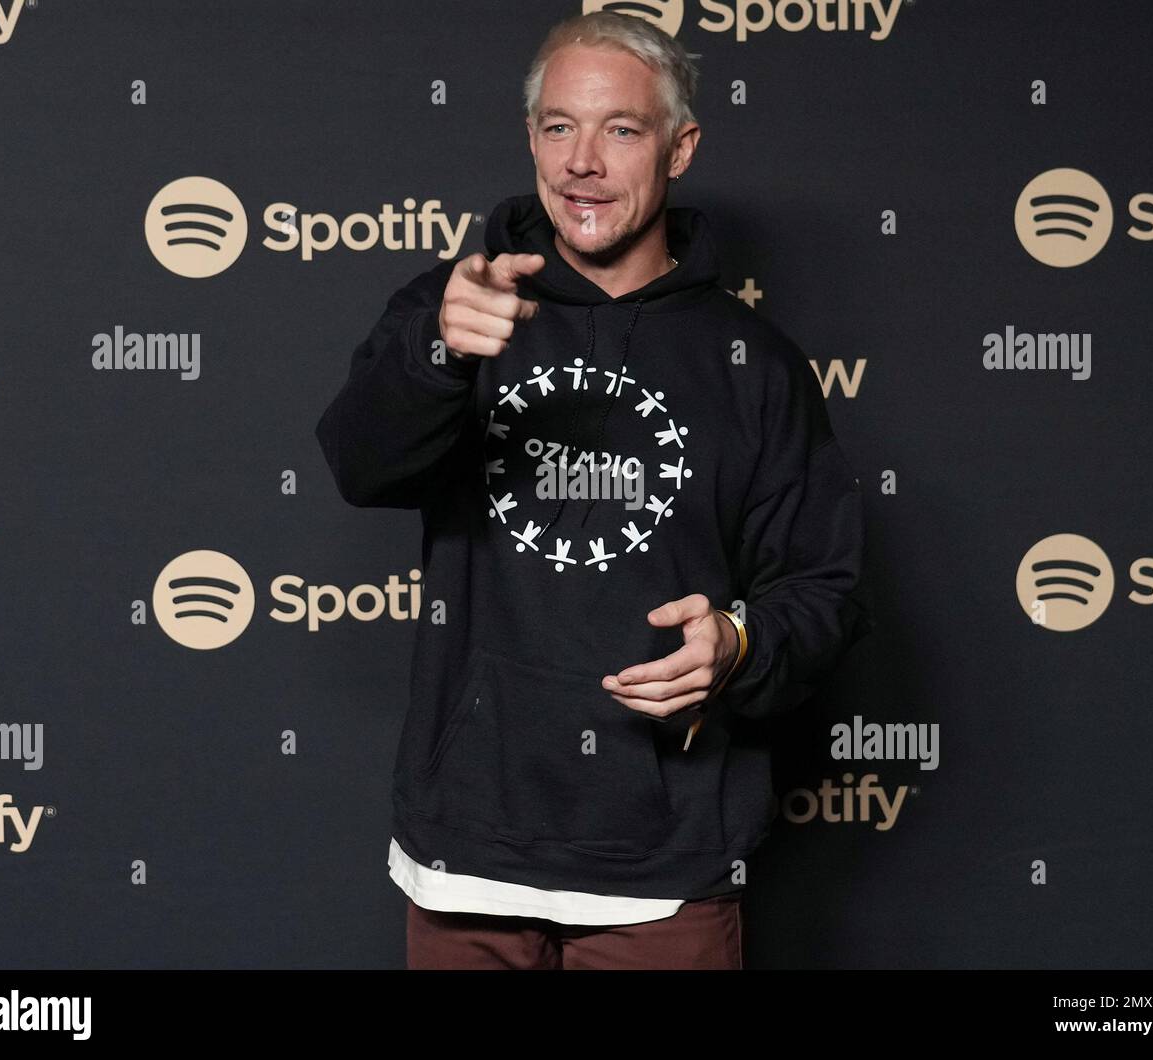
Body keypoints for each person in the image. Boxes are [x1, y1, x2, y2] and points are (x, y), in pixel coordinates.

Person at [314, 10, 873, 970]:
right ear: (531, 138)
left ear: (680, 146)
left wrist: (740, 642)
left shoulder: (754, 365)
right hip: (470, 852)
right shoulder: (456, 306)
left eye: (621, 129)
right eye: (559, 126)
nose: (584, 160)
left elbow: (824, 588)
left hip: (667, 863)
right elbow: (361, 466)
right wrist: (435, 353)